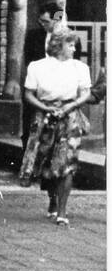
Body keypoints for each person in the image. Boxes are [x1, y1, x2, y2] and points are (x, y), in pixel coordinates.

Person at [19, 27, 91, 225]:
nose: (74, 49)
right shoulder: (37, 67)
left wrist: (71, 105)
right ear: (58, 45)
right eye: (70, 45)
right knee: (48, 162)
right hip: (45, 118)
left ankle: (62, 212)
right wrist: (46, 108)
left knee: (67, 163)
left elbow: (85, 93)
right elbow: (28, 94)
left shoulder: (79, 68)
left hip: (70, 118)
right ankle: (52, 200)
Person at [20, 3, 81, 150]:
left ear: (57, 19)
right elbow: (29, 62)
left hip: (60, 93)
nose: (42, 24)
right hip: (38, 91)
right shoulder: (33, 36)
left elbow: (74, 65)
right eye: (40, 21)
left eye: (46, 21)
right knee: (31, 128)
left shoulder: (71, 39)